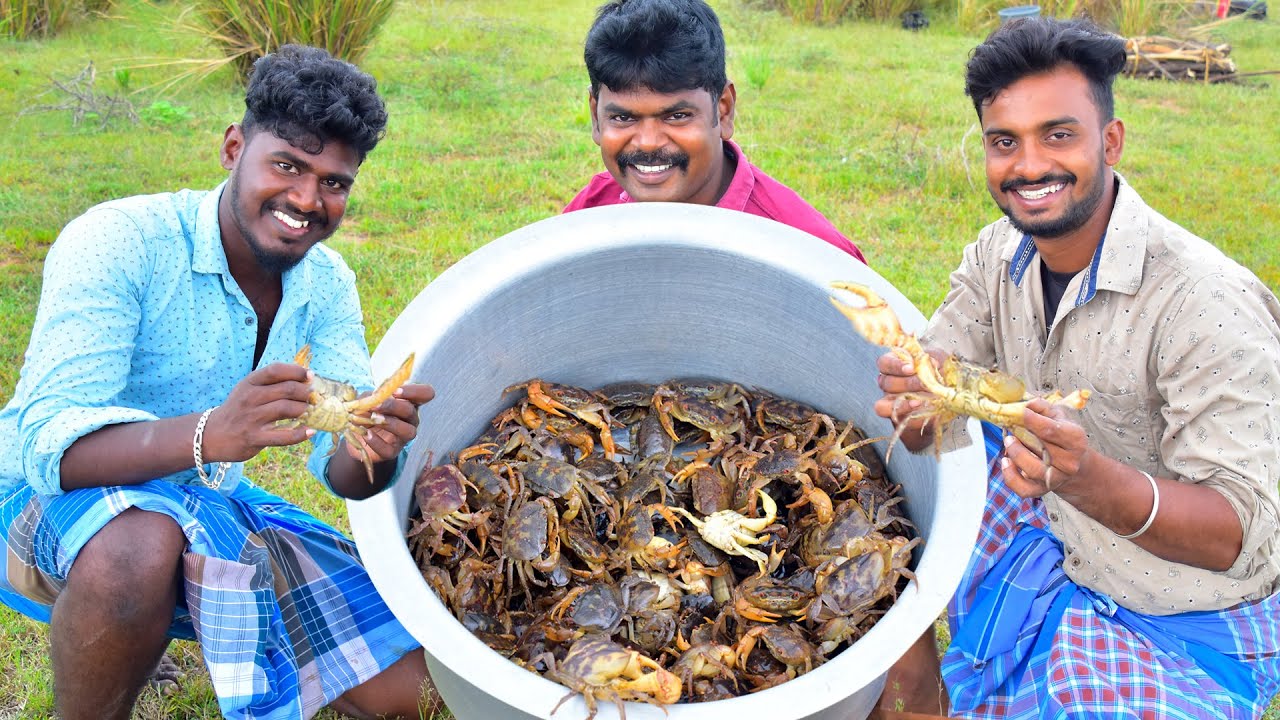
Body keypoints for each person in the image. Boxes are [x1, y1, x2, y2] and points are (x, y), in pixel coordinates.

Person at [0, 45, 439, 720]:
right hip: (37, 501)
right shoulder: (121, 240)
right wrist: (211, 434)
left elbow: (343, 472)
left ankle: (170, 611)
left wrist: (375, 446)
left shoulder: (326, 285)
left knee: (415, 691)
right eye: (286, 165)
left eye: (333, 182)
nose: (306, 200)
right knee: (138, 544)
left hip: (204, 500)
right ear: (234, 148)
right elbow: (47, 447)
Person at [874, 17, 1280, 719]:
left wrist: (1086, 479)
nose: (1029, 167)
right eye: (1005, 142)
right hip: (1053, 523)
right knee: (871, 512)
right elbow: (930, 410)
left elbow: (1235, 535)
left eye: (1058, 135)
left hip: (1177, 604)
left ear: (1110, 141)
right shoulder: (997, 255)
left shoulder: (1204, 303)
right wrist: (915, 397)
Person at [565, 0, 867, 263]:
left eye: (677, 116)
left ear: (723, 110)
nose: (648, 143)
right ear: (596, 116)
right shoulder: (586, 219)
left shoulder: (810, 254)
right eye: (622, 118)